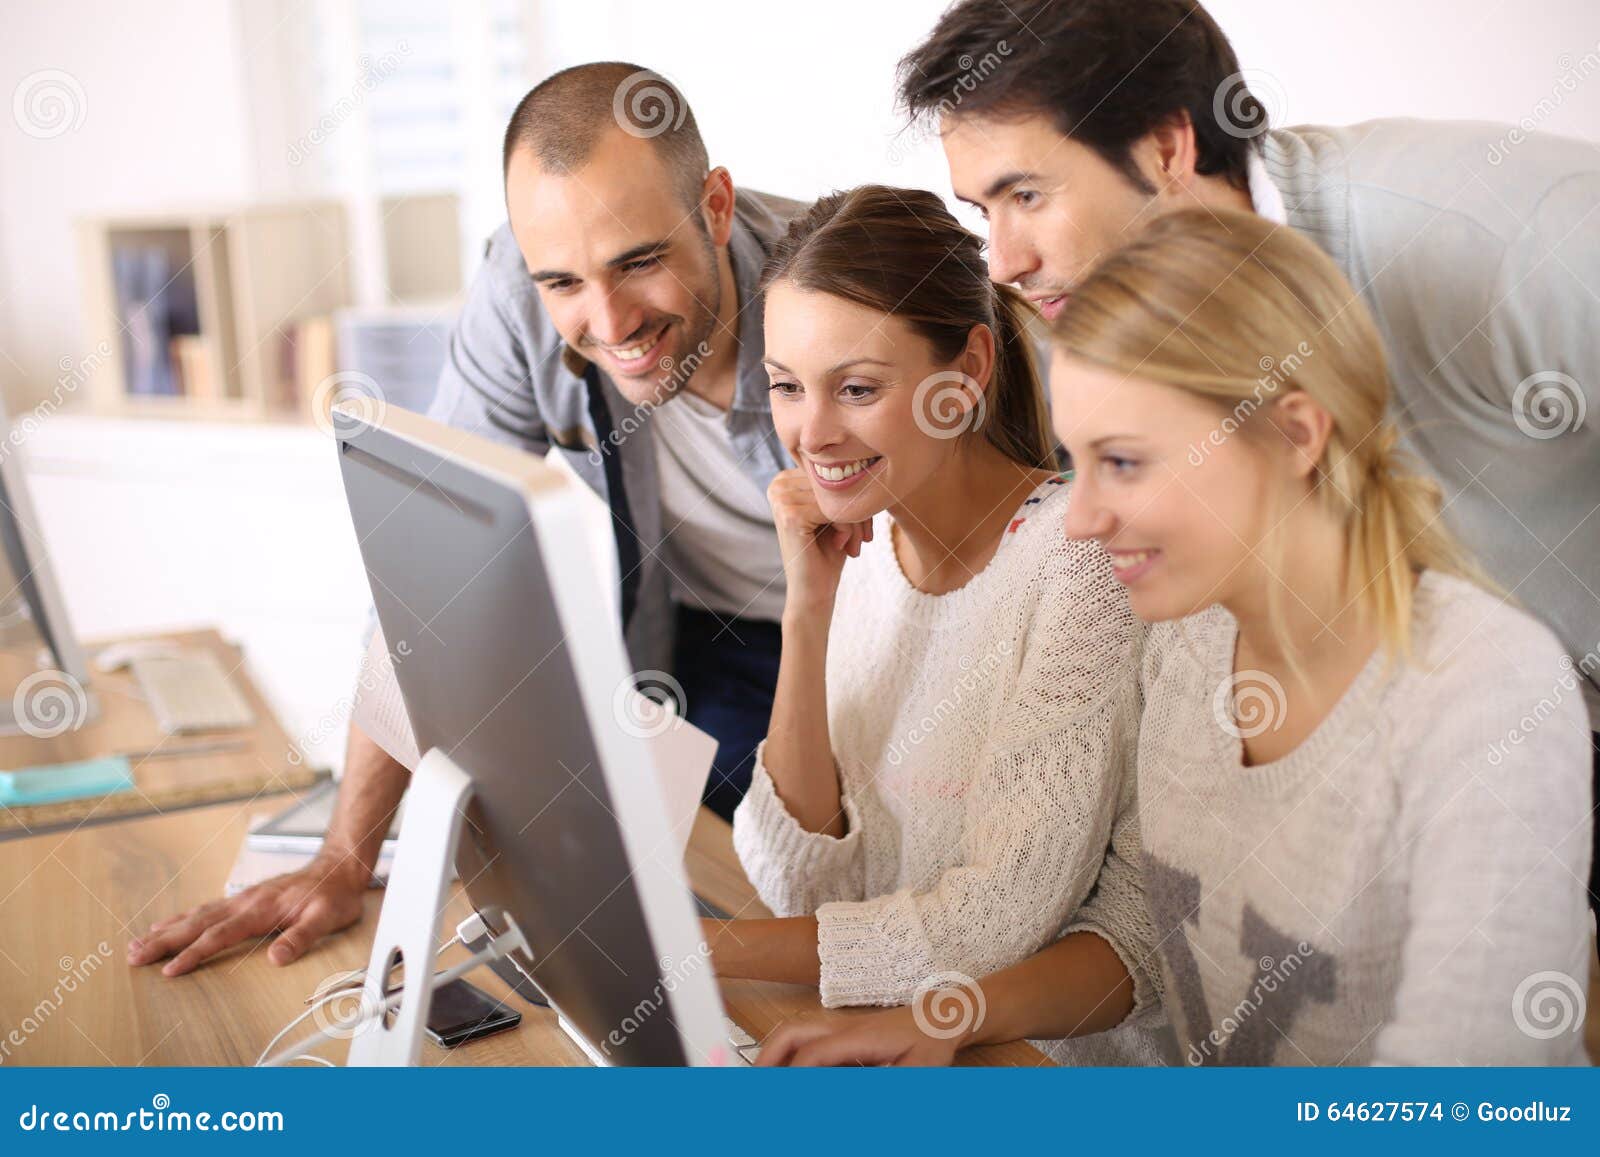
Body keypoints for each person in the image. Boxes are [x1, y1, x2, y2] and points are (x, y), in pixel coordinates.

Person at [759, 210, 1593, 1066]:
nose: (1077, 520)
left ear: (1295, 435)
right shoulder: (1192, 640)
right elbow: (1142, 930)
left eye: (1123, 463)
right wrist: (946, 1018)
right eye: (1080, 464)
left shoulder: (1486, 692)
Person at [899, 0, 1600, 929]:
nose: (1006, 260)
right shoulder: (1089, 328)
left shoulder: (1494, 230)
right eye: (982, 210)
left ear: (1165, 149)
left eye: (1026, 194)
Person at [127, 62, 804, 977]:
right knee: (647, 910)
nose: (609, 322)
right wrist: (345, 856)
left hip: (868, 643)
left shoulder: (839, 292)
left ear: (715, 208)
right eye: (563, 280)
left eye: (639, 261)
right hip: (692, 639)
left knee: (823, 901)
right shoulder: (516, 288)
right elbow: (430, 573)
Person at [703, 186, 1173, 1065]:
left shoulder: (1077, 564)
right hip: (894, 1033)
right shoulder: (867, 546)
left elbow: (997, 916)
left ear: (967, 374)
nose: (812, 431)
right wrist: (806, 612)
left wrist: (701, 948)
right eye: (786, 387)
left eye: (856, 388)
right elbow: (794, 880)